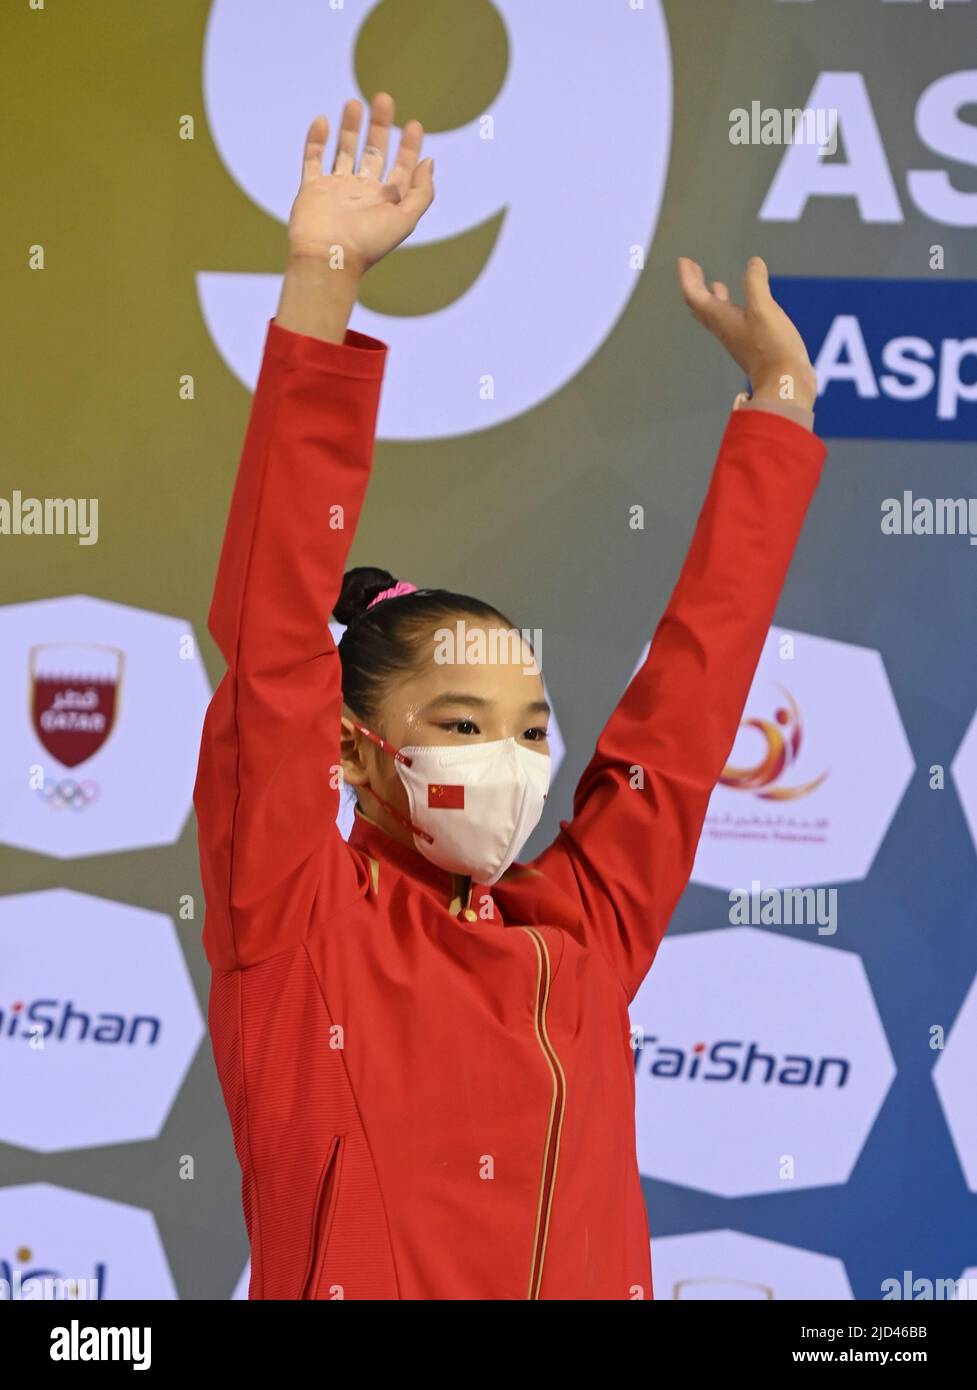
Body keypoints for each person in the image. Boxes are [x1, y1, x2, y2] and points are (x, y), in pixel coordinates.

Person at [193, 92, 827, 1301]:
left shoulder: (579, 929)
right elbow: (271, 642)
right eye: (461, 725)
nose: (512, 760)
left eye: (532, 727)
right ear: (352, 750)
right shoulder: (292, 922)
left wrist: (775, 419)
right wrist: (322, 285)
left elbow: (688, 709)